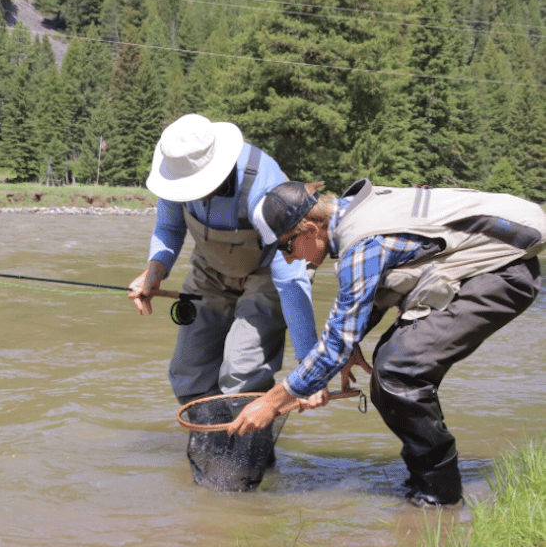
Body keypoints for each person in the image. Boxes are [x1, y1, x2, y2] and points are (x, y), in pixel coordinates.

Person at [229, 177, 546, 507]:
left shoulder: (361, 242)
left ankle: (439, 496)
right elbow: (375, 291)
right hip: (486, 266)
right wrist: (350, 349)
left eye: (285, 247)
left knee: (399, 371)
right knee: (390, 370)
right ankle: (425, 481)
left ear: (309, 228)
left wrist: (274, 400)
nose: (289, 259)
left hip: (504, 274)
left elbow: (337, 339)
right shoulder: (353, 213)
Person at [127, 114, 320, 406]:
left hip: (268, 272)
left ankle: (245, 443)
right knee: (188, 369)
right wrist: (155, 270)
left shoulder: (261, 188)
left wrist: (309, 365)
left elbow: (291, 279)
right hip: (209, 270)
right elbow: (170, 227)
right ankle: (210, 442)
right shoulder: (175, 173)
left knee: (242, 369)